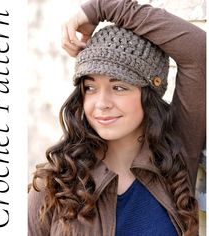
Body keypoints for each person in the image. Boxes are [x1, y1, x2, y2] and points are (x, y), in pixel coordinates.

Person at [28, 0, 206, 235]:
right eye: (90, 88)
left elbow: (199, 50)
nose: (101, 104)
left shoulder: (176, 154)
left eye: (119, 87)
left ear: (148, 93)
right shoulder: (55, 184)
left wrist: (101, 8)